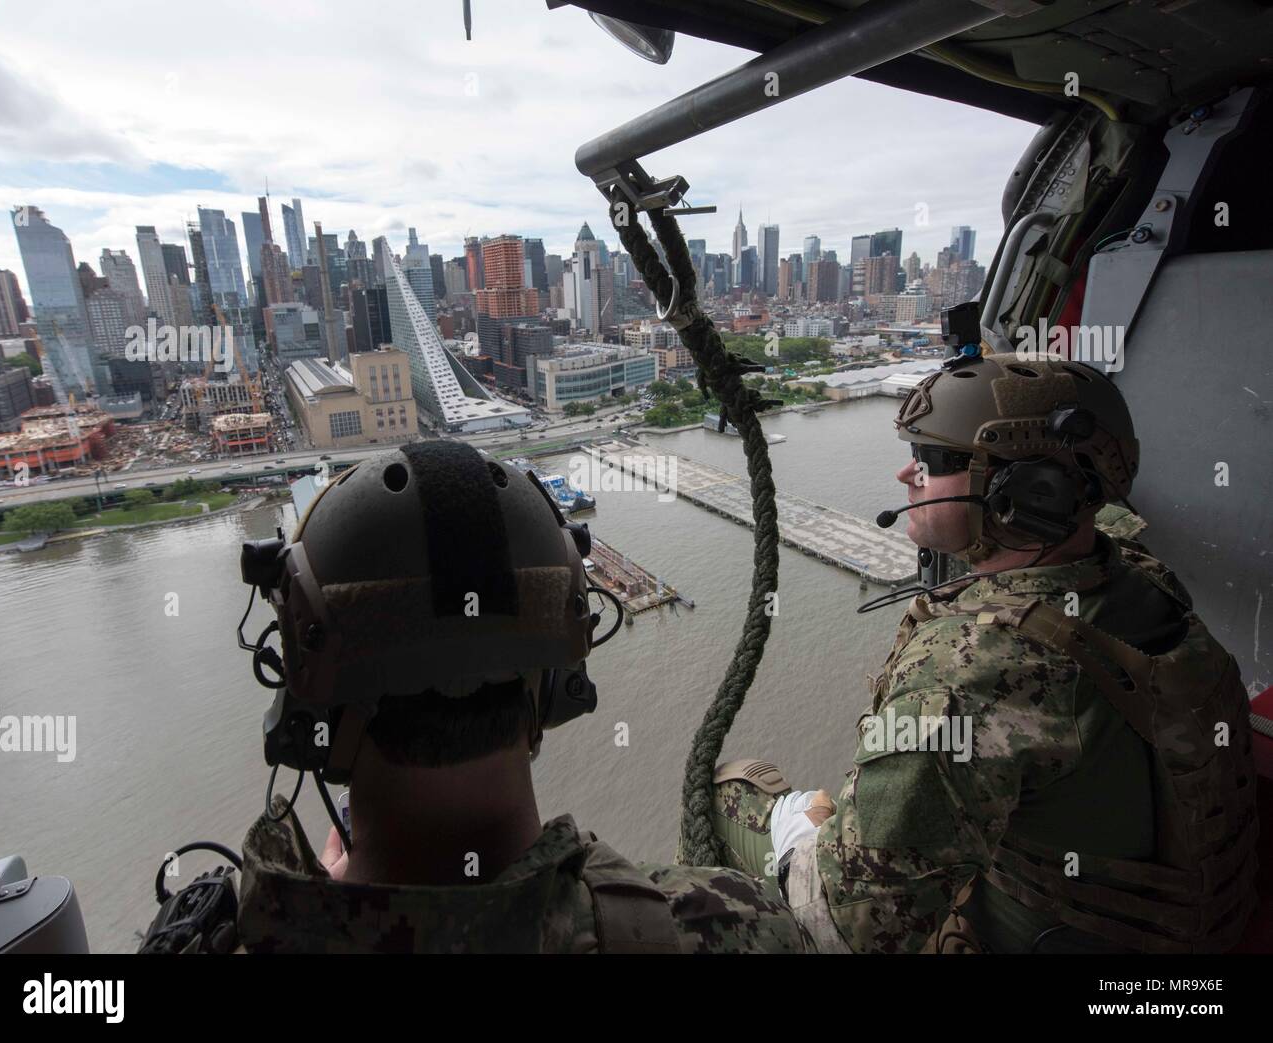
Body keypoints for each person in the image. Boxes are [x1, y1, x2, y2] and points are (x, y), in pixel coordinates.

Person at [712, 351, 1259, 954]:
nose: (906, 476)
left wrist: (795, 841)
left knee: (731, 790)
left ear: (1032, 493)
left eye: (932, 461)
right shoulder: (1143, 578)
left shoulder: (968, 671)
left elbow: (849, 928)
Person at [218, 439, 812, 954]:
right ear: (554, 689)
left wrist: (320, 911)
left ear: (309, 705)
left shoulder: (225, 935)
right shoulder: (737, 924)